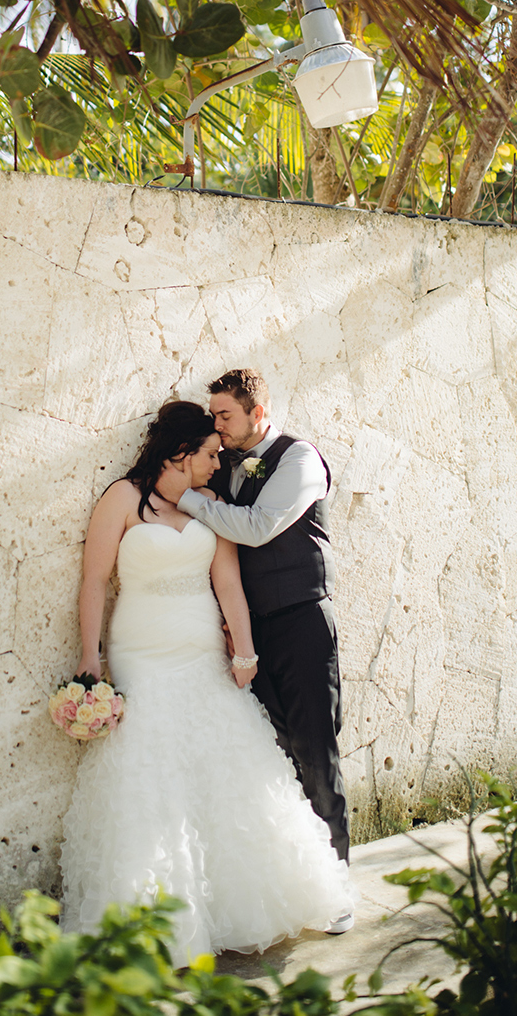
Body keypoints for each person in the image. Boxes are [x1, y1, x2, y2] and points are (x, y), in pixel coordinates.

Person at [58, 400, 351, 964]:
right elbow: (94, 580)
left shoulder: (212, 506)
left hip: (203, 652)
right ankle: (155, 914)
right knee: (152, 770)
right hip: (142, 652)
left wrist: (244, 652)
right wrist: (90, 657)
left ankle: (235, 906)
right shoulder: (122, 499)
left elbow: (229, 585)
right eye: (210, 453)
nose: (219, 463)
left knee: (226, 765)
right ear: (181, 453)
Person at [153, 370, 351, 934]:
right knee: (274, 756)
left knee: (316, 752)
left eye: (225, 415)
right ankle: (296, 884)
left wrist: (185, 498)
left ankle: (337, 889)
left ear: (257, 412)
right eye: (214, 416)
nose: (216, 425)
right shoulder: (227, 466)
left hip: (302, 623)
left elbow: (259, 527)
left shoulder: (300, 459)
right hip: (252, 632)